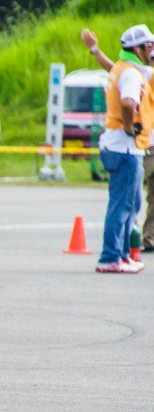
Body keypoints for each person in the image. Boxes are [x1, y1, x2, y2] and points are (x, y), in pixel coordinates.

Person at [80, 25, 154, 272]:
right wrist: (129, 123)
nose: (152, 50)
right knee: (122, 205)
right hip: (124, 148)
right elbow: (127, 102)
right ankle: (111, 257)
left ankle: (121, 255)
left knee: (128, 204)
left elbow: (111, 68)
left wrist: (94, 49)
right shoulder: (132, 73)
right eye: (149, 46)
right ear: (138, 48)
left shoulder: (126, 69)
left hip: (122, 147)